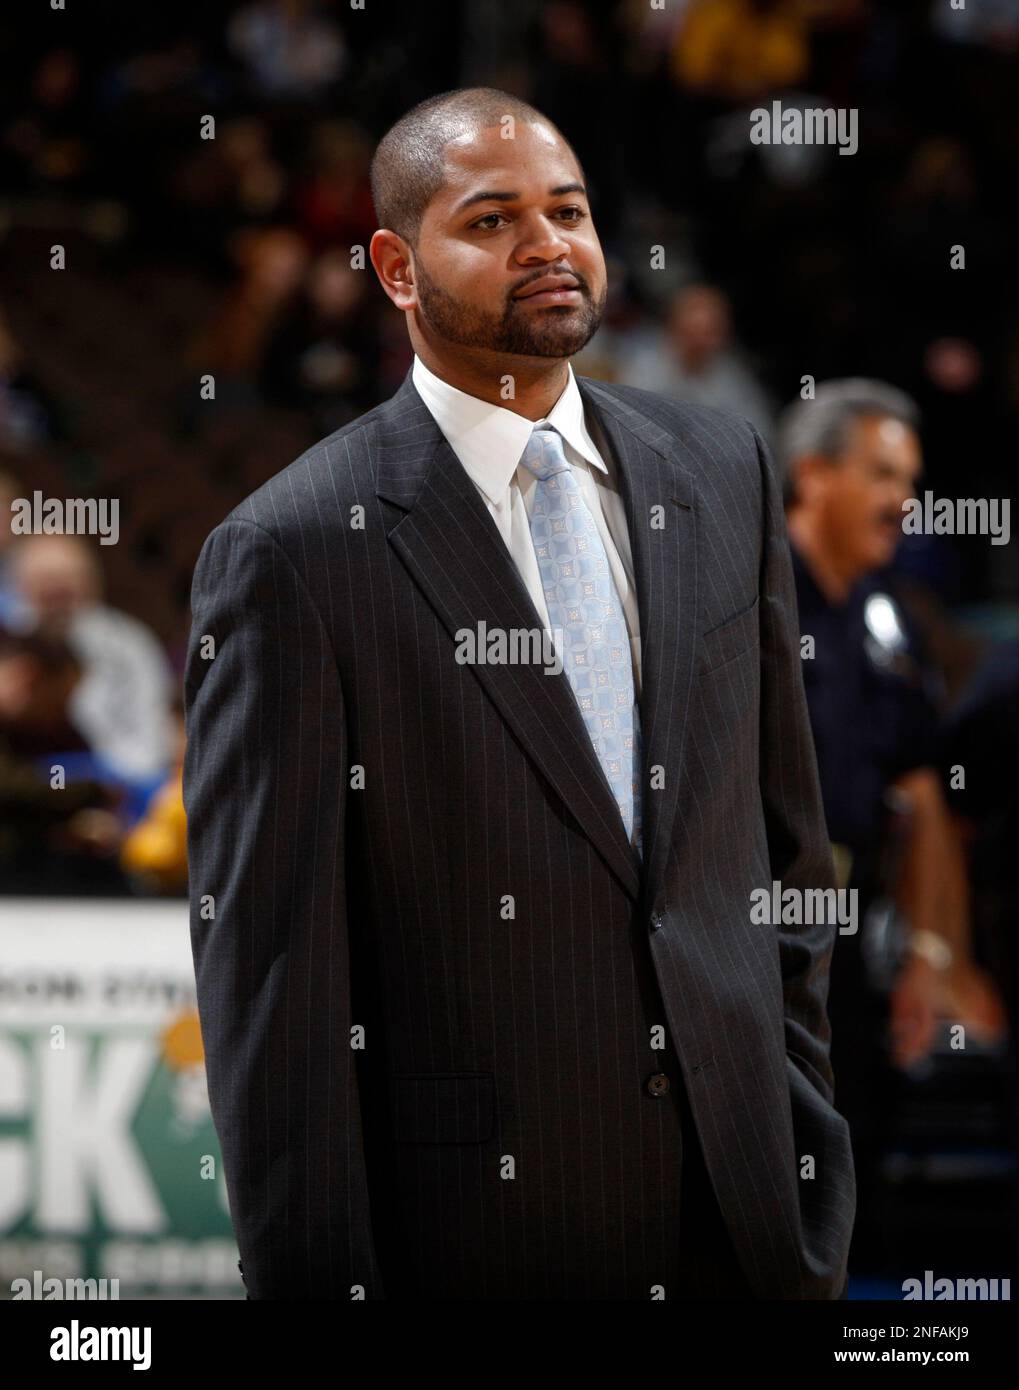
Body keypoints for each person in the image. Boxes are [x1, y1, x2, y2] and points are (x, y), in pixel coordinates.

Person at [183, 87, 855, 1301]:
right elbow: (273, 987)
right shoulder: (291, 551)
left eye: (570, 211)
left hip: (746, 1216)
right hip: (480, 1236)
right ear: (395, 267)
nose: (548, 245)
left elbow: (783, 849)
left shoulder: (719, 463)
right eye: (490, 220)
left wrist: (799, 1128)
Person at [777, 379, 1006, 1272]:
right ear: (813, 476)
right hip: (753, 930)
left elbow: (924, 796)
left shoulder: (894, 616)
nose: (902, 501)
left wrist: (930, 956)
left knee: (855, 1154)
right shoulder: (743, 607)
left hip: (852, 931)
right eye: (881, 475)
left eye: (908, 479)